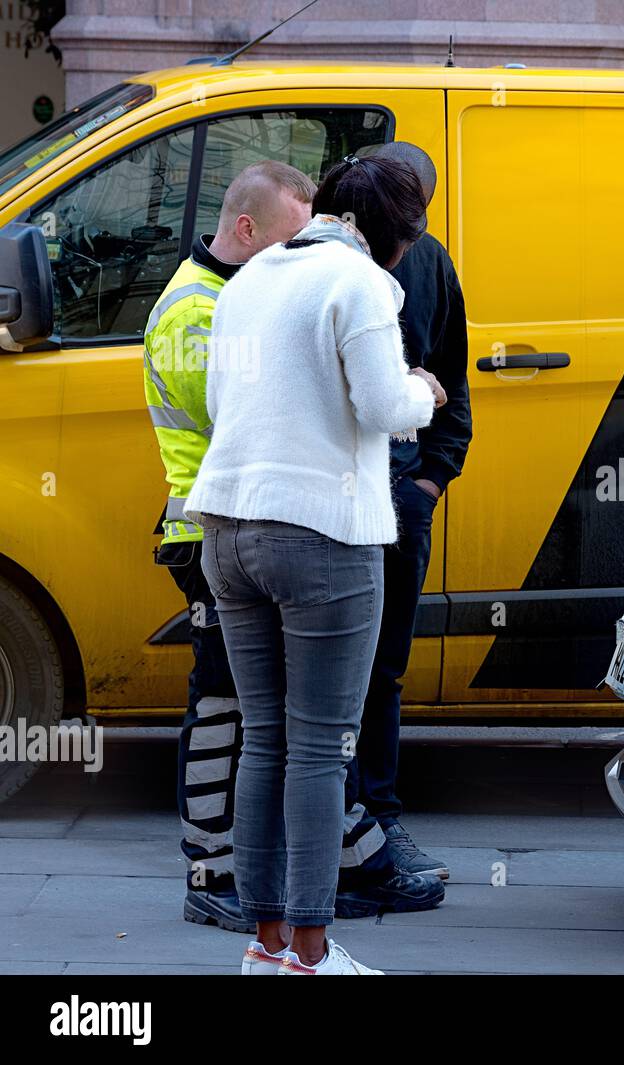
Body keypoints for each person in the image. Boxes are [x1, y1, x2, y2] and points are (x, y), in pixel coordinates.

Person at [186, 155, 446, 975]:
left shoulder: (250, 277)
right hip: (321, 535)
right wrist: (426, 391)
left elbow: (231, 405)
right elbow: (380, 405)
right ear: (395, 239)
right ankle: (308, 947)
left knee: (262, 740)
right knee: (322, 748)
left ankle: (263, 945)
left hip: (227, 528)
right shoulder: (360, 281)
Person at [143, 161, 312, 933]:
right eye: (286, 240)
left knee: (244, 705)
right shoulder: (194, 312)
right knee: (218, 704)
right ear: (246, 230)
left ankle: (241, 862)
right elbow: (246, 416)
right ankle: (207, 871)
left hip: (231, 528)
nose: (295, 258)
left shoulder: (231, 297)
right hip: (204, 534)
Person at [337, 141, 471, 893]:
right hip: (341, 497)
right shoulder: (332, 265)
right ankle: (349, 826)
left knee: (383, 670)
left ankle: (379, 817)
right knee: (341, 674)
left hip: (396, 496)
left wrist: (428, 483)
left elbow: (452, 378)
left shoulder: (431, 263)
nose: (411, 224)